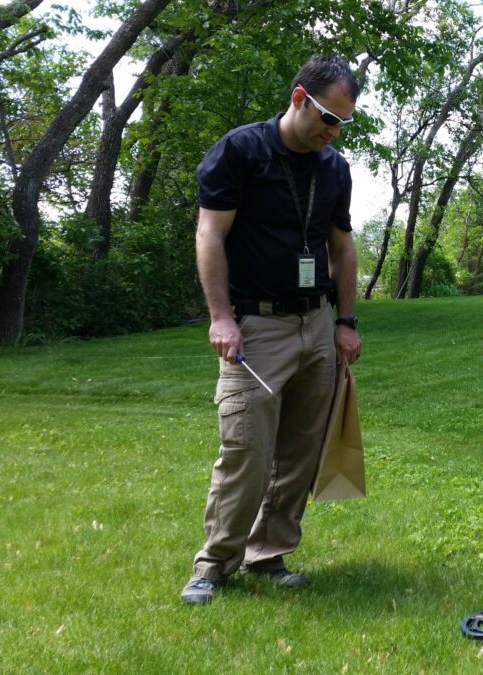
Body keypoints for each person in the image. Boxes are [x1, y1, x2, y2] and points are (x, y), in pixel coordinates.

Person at [180, 54, 363, 604]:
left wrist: (346, 323)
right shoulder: (242, 151)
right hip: (255, 326)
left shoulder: (334, 168)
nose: (332, 131)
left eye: (343, 124)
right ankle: (214, 564)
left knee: (301, 453)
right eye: (328, 117)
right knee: (246, 451)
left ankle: (269, 554)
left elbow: (342, 248)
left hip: (316, 324)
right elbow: (209, 236)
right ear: (298, 96)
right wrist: (220, 317)